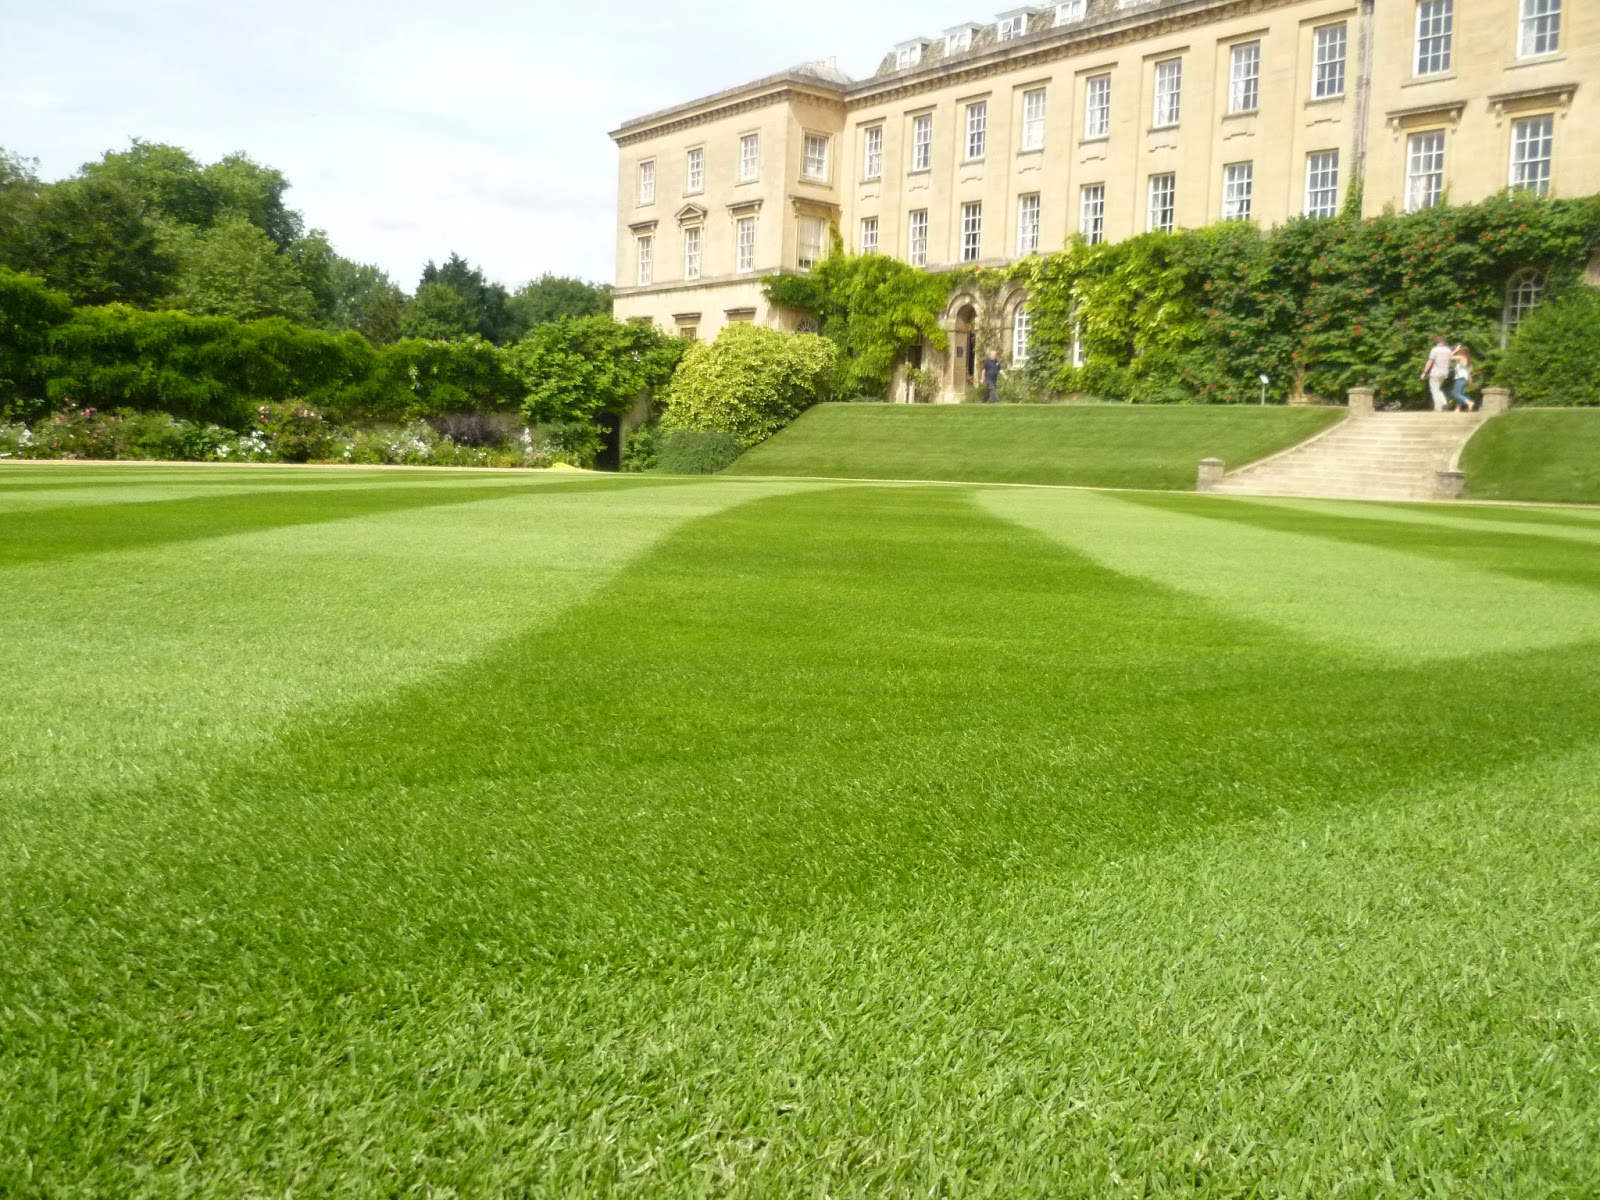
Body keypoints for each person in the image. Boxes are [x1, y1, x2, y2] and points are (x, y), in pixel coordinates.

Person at [1420, 335, 1453, 412]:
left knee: (1434, 390)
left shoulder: (1435, 350)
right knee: (1437, 389)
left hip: (1436, 373)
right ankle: (1444, 403)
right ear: (1444, 341)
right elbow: (1450, 360)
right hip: (1445, 372)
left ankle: (1438, 408)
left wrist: (1424, 372)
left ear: (1437, 342)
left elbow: (1430, 361)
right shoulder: (1448, 350)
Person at [1449, 343, 1475, 412]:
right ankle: (1458, 408)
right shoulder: (1467, 359)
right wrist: (1470, 379)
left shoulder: (1461, 357)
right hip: (1463, 378)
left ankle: (1469, 402)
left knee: (1456, 393)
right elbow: (1470, 370)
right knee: (1459, 393)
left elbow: (1450, 357)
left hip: (1460, 378)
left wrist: (1455, 350)